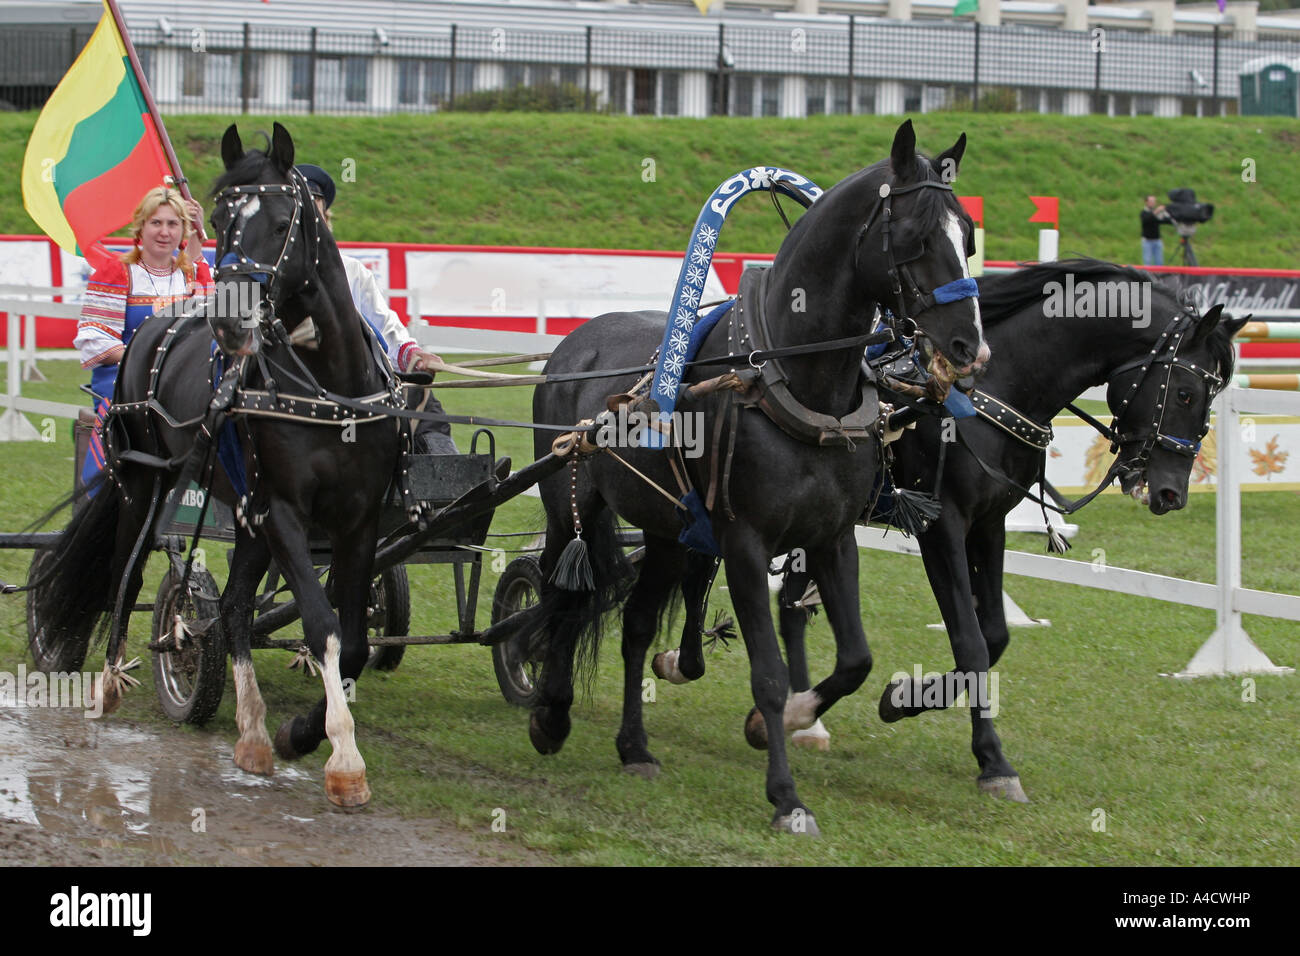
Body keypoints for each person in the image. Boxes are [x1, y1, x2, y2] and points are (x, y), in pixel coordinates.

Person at [295, 163, 457, 454]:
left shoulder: (353, 271)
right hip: (305, 387)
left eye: (314, 205)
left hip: (359, 385)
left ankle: (450, 475)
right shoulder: (278, 275)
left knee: (422, 399)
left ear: (325, 216)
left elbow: (384, 323)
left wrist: (411, 354)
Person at [74, 185, 211, 487]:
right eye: (156, 222)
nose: (165, 232)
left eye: (173, 223)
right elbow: (95, 338)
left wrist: (196, 247)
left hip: (179, 381)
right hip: (125, 380)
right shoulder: (117, 272)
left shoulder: (193, 275)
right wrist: (147, 359)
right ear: (141, 226)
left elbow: (210, 331)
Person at [1140, 194, 1172, 267]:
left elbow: (1166, 221)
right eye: (1151, 201)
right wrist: (1157, 211)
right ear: (1146, 202)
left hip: (1157, 240)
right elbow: (1146, 220)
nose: (1153, 203)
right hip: (1147, 241)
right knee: (1147, 261)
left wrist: (1166, 212)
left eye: (1154, 201)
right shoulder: (1144, 213)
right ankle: (1147, 277)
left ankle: (1159, 277)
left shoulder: (1157, 213)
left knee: (1159, 262)